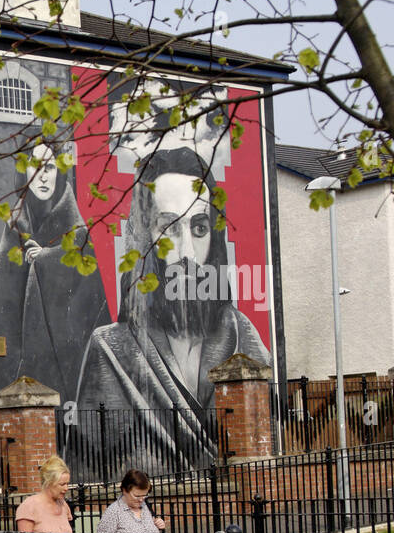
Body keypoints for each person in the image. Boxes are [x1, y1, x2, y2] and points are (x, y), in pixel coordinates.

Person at [74, 147, 270, 471]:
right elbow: (87, 476)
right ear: (143, 237)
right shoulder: (111, 351)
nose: (187, 254)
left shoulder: (243, 337)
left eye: (199, 228)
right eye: (168, 228)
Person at [0, 141, 110, 409]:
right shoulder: (15, 227)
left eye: (49, 167)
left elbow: (92, 304)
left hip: (66, 370)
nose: (42, 175)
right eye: (35, 166)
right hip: (23, 371)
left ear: (59, 172)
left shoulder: (76, 231)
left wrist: (48, 260)